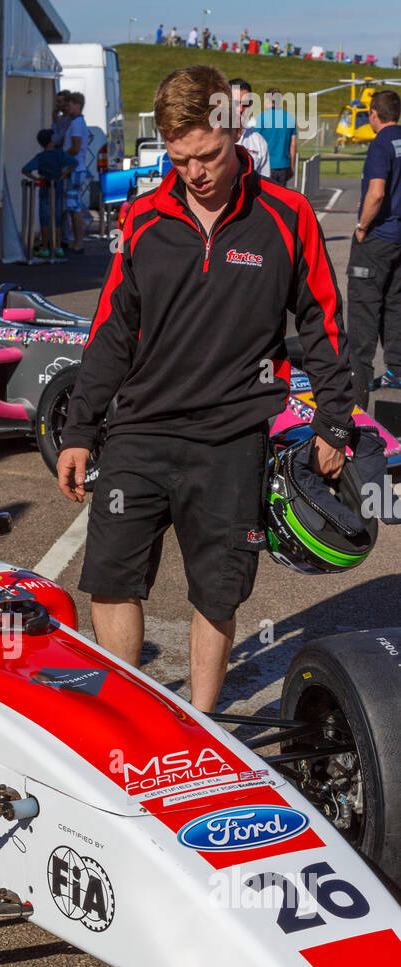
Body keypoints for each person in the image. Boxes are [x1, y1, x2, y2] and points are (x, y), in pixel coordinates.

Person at [56, 66, 354, 713]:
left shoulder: (287, 216)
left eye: (209, 155)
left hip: (231, 441)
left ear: (234, 128)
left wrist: (336, 422)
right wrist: (79, 430)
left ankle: (202, 727)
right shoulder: (141, 220)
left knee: (217, 596)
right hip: (138, 432)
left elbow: (324, 325)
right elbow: (109, 331)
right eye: (181, 157)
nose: (196, 172)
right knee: (109, 583)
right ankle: (129, 720)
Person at [347, 89, 401, 403]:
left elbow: (376, 193)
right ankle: (395, 368)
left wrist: (361, 226)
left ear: (374, 115)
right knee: (395, 304)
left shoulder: (381, 143)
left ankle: (360, 377)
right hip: (398, 239)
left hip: (377, 238)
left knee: (364, 306)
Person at [22, 129, 76, 259]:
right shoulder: (59, 154)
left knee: (44, 218)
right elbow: (74, 163)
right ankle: (57, 247)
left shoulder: (41, 157)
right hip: (57, 188)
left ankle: (45, 247)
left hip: (45, 189)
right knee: (56, 218)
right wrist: (63, 174)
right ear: (51, 140)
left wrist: (36, 179)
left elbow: (25, 169)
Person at [64, 93, 91, 254]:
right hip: (77, 168)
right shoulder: (78, 122)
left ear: (78, 105)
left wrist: (61, 157)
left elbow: (75, 147)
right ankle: (76, 241)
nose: (67, 108)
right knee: (73, 206)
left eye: (69, 105)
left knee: (74, 207)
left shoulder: (76, 124)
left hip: (75, 169)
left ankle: (78, 242)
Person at [229, 77, 271, 176]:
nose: (240, 109)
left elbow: (264, 184)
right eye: (235, 103)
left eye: (245, 104)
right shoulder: (209, 137)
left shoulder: (259, 142)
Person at [255, 87, 297, 184]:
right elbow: (293, 146)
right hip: (283, 165)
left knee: (265, 197)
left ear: (268, 100)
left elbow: (255, 142)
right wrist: (291, 166)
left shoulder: (261, 118)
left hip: (265, 167)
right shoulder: (290, 118)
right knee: (280, 197)